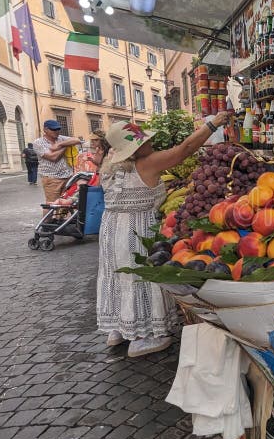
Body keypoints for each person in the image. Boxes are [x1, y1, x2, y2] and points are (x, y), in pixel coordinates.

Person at [97, 113, 229, 357]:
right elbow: (184, 149)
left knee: (117, 277)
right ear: (134, 149)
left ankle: (119, 329)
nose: (150, 143)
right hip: (136, 228)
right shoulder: (146, 163)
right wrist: (213, 124)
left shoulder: (110, 162)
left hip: (112, 228)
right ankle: (142, 338)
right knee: (143, 278)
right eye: (143, 141)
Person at [33, 120, 80, 205]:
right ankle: (48, 219)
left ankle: (61, 219)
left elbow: (77, 140)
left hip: (67, 176)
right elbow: (53, 157)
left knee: (66, 204)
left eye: (58, 129)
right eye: (53, 129)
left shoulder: (60, 138)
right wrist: (66, 145)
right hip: (52, 178)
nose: (56, 132)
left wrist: (59, 145)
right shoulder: (38, 143)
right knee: (51, 204)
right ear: (45, 129)